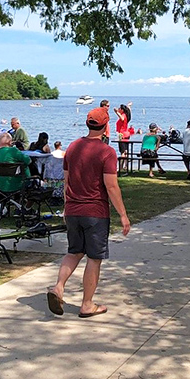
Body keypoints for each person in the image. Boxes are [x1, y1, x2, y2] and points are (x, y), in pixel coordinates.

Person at [46, 106, 130, 318]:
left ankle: (58, 287)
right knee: (94, 258)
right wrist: (123, 214)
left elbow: (67, 181)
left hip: (73, 209)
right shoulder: (107, 152)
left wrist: (67, 206)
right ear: (105, 126)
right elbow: (111, 186)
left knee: (74, 252)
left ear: (87, 124)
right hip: (95, 212)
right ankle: (87, 304)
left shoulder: (73, 147)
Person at [0, 132, 31, 196]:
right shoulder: (14, 151)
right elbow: (28, 161)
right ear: (9, 142)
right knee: (34, 182)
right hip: (18, 184)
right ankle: (27, 204)